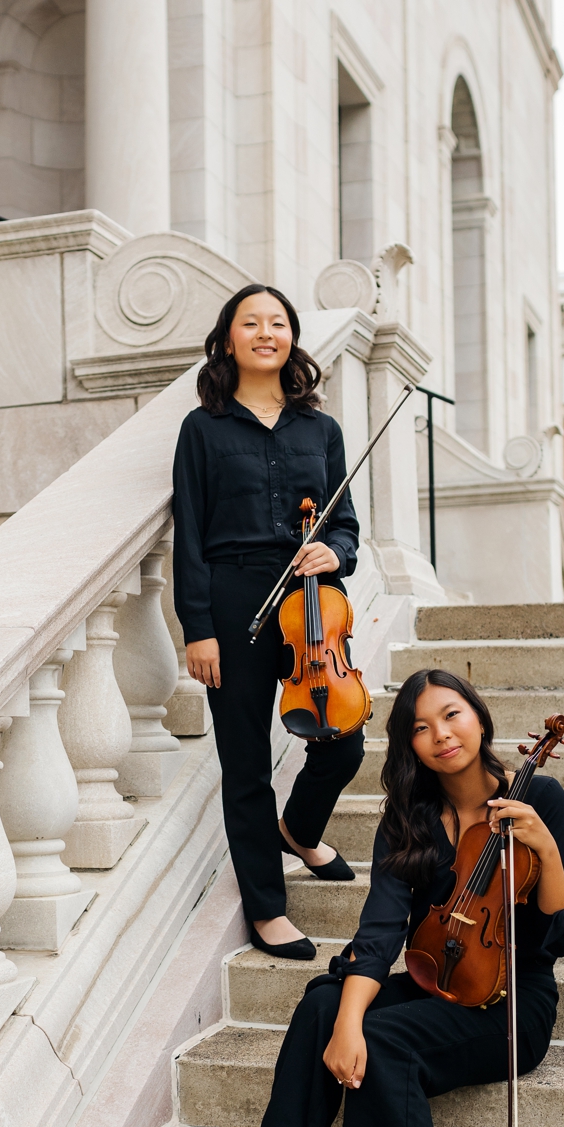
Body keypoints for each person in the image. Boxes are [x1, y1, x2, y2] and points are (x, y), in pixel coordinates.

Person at [207, 667, 564, 1127]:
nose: (440, 734)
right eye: (420, 726)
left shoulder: (540, 796)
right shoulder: (407, 821)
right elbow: (380, 932)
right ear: (408, 746)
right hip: (430, 978)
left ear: (479, 717)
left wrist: (546, 850)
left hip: (509, 1000)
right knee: (326, 1000)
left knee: (383, 1042)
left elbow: (559, 936)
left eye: (451, 715)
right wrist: (350, 1019)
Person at [172, 284, 365, 960]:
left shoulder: (322, 430)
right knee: (246, 759)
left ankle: (302, 829)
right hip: (233, 599)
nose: (265, 332)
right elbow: (189, 533)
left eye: (277, 322)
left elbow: (346, 524)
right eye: (249, 322)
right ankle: (267, 907)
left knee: (343, 742)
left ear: (292, 338)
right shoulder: (204, 429)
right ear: (228, 339)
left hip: (311, 600)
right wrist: (197, 627)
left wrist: (332, 550)